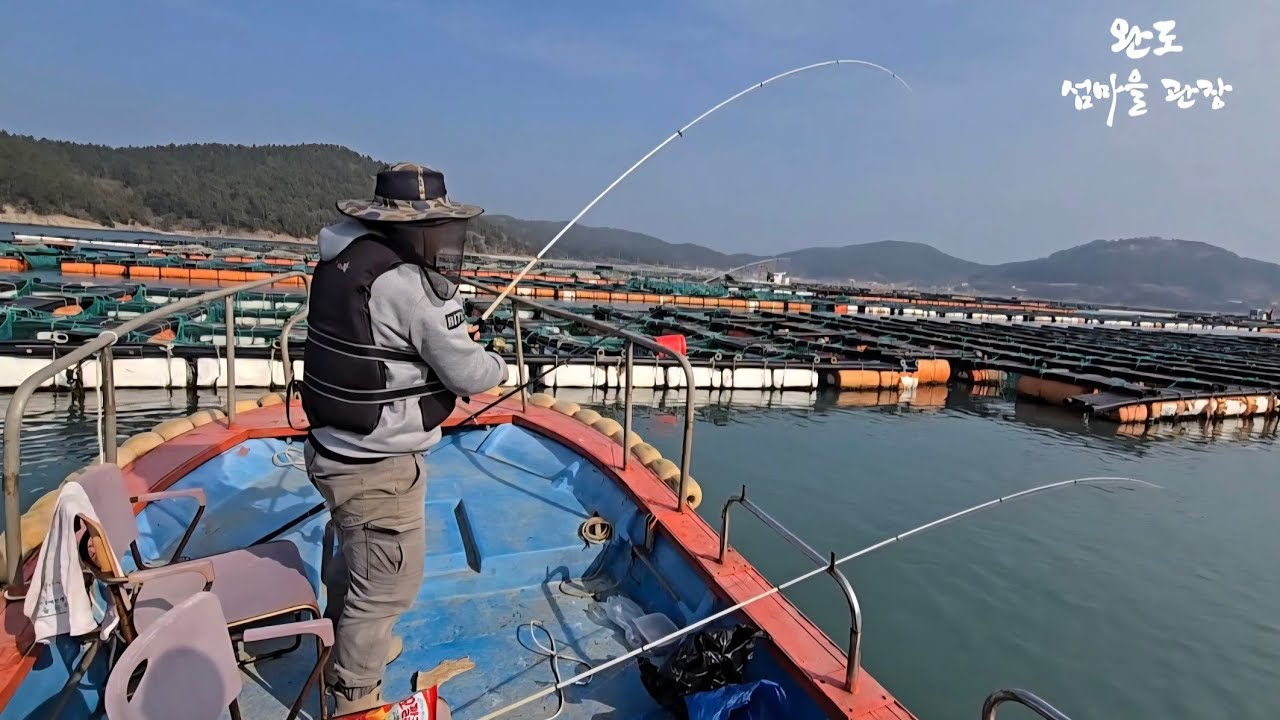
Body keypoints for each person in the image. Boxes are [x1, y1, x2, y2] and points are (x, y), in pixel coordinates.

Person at [300, 162, 508, 714]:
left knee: (357, 556)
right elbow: (469, 374)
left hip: (330, 448)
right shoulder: (412, 287)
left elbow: (382, 342)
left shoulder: (340, 261)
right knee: (388, 585)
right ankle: (353, 696)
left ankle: (349, 642)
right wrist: (497, 364)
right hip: (377, 466)